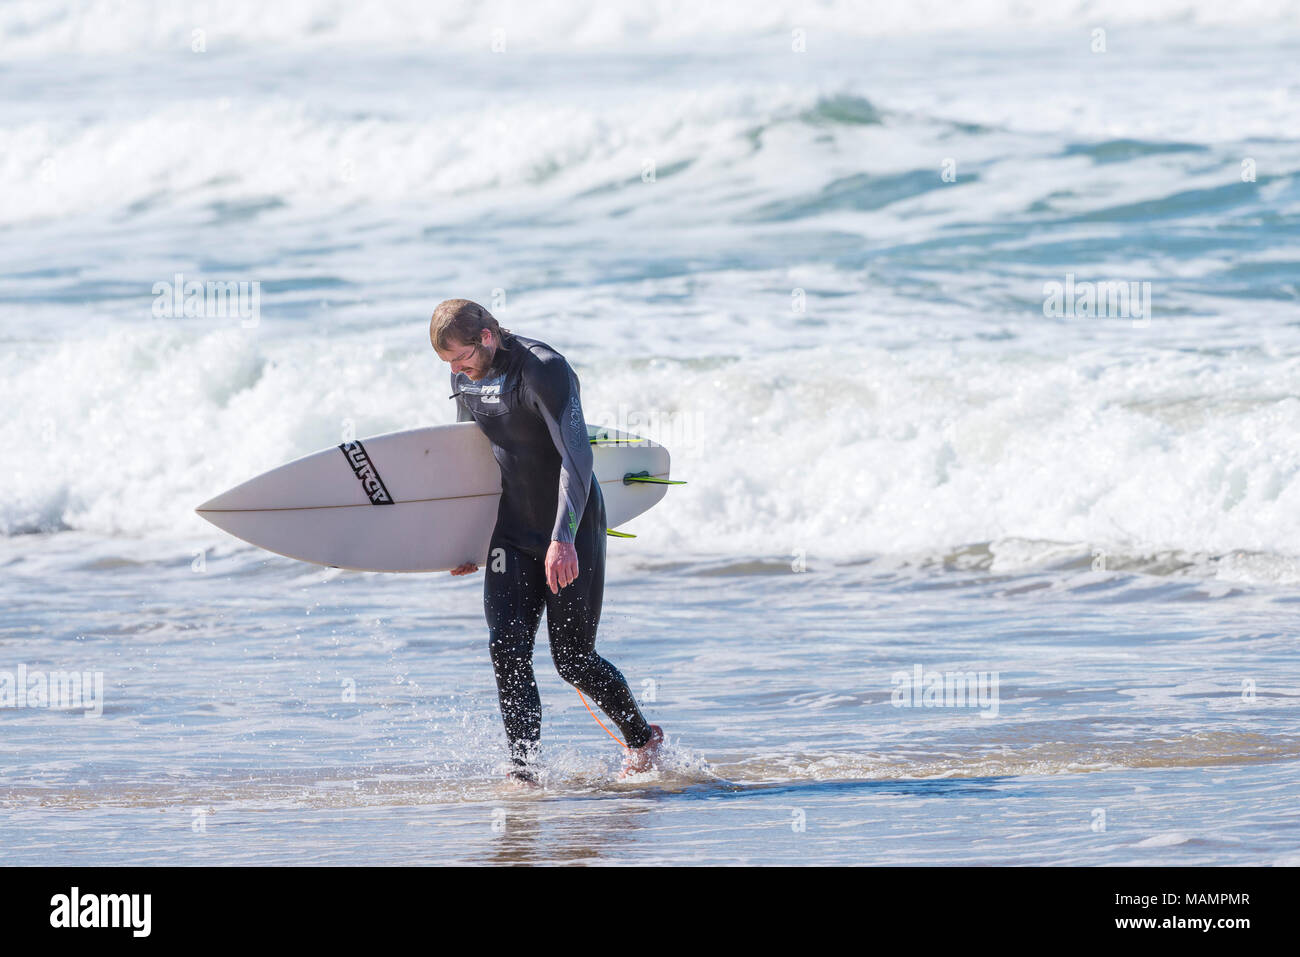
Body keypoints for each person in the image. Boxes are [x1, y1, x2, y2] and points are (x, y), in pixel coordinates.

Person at [430, 299, 663, 784]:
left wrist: (564, 538)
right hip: (512, 532)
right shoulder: (464, 378)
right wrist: (465, 540)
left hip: (570, 526)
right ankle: (525, 771)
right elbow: (469, 468)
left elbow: (577, 459)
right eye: (448, 363)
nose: (455, 371)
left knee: (573, 660)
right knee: (506, 649)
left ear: (487, 336)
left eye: (460, 358)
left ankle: (642, 740)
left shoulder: (544, 370)